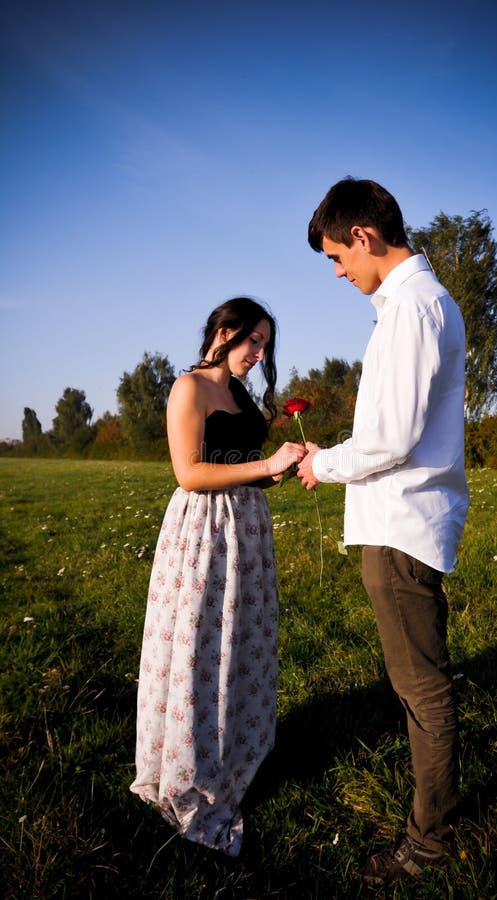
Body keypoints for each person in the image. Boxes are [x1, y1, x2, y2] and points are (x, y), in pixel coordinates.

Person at [297, 178, 470, 885]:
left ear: (364, 237)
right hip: (402, 519)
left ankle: (429, 842)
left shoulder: (410, 310)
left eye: (338, 256)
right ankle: (434, 821)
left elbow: (390, 436)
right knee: (419, 681)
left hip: (402, 523)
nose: (339, 272)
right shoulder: (413, 305)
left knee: (421, 687)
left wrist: (323, 463)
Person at [130, 297, 306, 857]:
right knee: (202, 645)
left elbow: (245, 463)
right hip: (204, 530)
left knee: (240, 644)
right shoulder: (190, 388)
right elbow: (189, 472)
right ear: (224, 333)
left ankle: (232, 749)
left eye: (265, 345)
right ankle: (188, 763)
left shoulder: (237, 392)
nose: (259, 354)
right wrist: (267, 465)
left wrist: (290, 466)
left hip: (246, 527)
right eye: (254, 341)